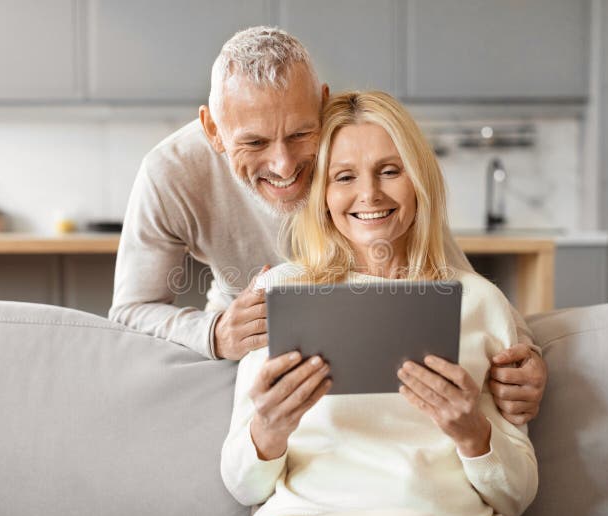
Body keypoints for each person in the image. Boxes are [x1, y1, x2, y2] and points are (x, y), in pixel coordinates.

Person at [108, 26, 546, 426]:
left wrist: (526, 355)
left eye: (301, 134)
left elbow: (442, 265)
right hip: (248, 343)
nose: (284, 165)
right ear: (213, 130)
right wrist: (216, 333)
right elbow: (130, 309)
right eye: (255, 143)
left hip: (370, 330)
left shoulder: (351, 147)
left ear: (322, 103)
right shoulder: (171, 172)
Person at [221, 90, 538, 516]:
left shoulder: (480, 302)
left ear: (419, 181)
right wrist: (270, 430)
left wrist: (472, 432)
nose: (368, 194)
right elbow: (242, 486)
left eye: (389, 171)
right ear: (323, 195)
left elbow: (517, 496)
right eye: (344, 176)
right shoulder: (282, 293)